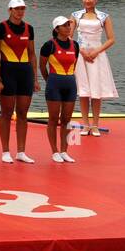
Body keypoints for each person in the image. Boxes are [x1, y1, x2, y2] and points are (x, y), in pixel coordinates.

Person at [0, 0, 37, 163]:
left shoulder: (29, 28)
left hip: (25, 72)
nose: (20, 12)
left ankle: (21, 151)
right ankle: (5, 151)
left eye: (22, 9)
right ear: (10, 10)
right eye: (17, 9)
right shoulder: (1, 28)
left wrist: (35, 78)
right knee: (6, 113)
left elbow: (32, 54)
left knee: (23, 113)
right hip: (7, 71)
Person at [72, 0, 117, 136]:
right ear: (82, 0)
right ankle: (85, 125)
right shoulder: (75, 15)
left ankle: (95, 125)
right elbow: (69, 37)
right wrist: (82, 51)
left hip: (97, 56)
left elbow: (111, 39)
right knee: (83, 91)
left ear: (95, 0)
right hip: (81, 55)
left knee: (96, 91)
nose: (87, 1)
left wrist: (96, 51)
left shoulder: (103, 17)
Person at [41, 16, 81, 163]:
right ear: (57, 29)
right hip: (54, 84)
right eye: (64, 25)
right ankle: (54, 151)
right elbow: (42, 66)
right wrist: (50, 81)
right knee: (53, 119)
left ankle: (64, 151)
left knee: (67, 120)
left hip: (70, 84)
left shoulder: (75, 45)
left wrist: (67, 78)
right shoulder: (49, 45)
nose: (68, 27)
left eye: (69, 25)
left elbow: (74, 65)